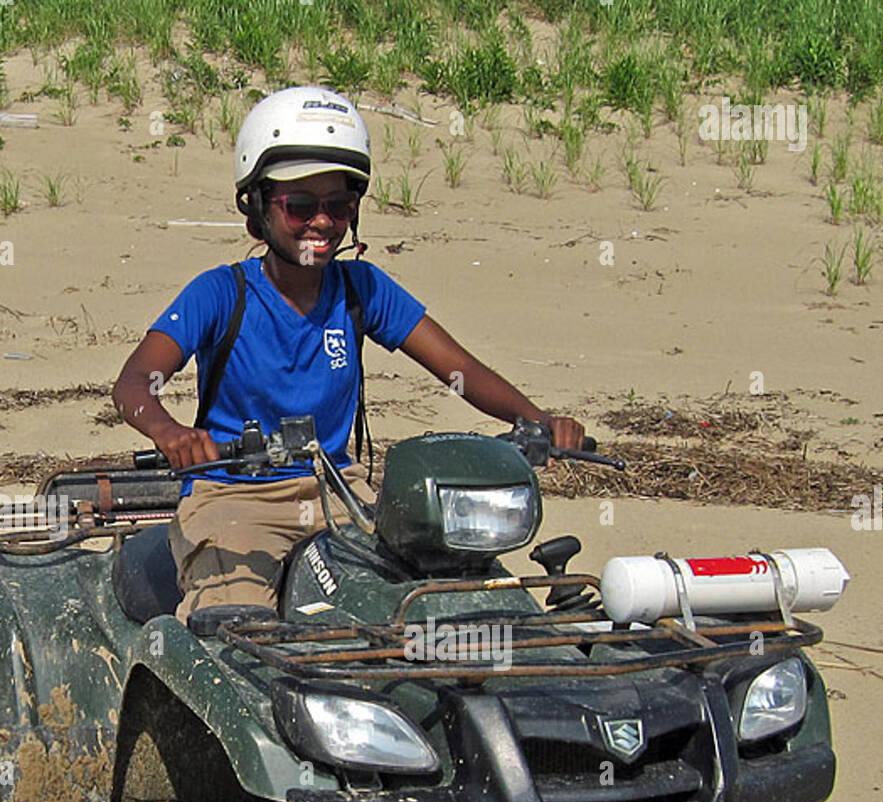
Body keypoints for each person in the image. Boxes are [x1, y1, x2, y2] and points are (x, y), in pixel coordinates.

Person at [113, 86, 585, 620]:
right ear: (258, 211)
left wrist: (536, 419)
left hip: (341, 495)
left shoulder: (363, 290)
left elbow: (461, 370)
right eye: (299, 206)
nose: (321, 221)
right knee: (234, 630)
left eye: (338, 206)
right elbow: (134, 383)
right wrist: (168, 431)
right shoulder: (220, 294)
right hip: (235, 499)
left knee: (433, 596)